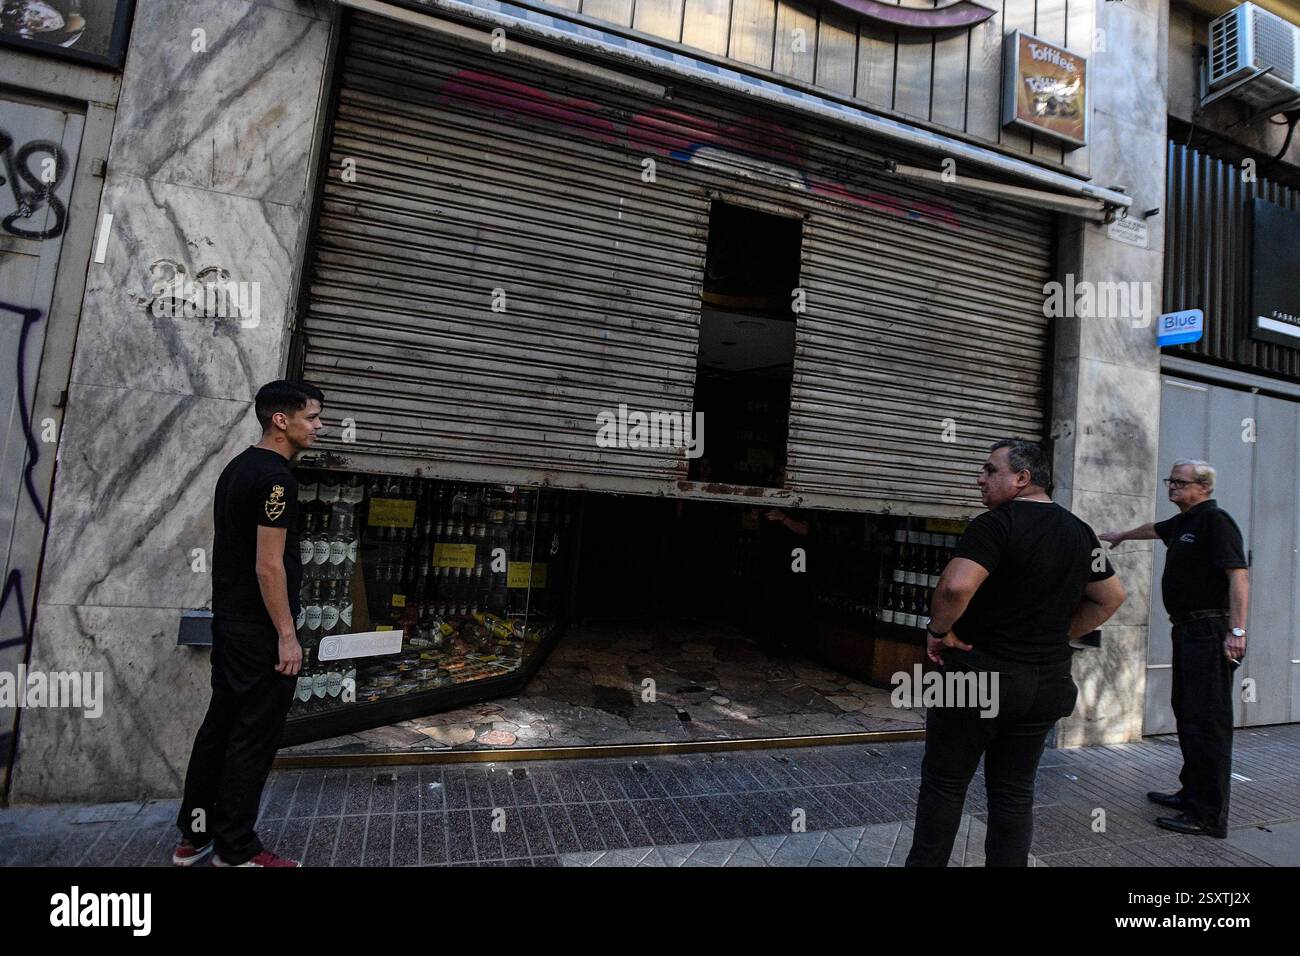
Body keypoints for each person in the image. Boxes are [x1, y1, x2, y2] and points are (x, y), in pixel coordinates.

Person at [906, 439, 1126, 866]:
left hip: (978, 676)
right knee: (1013, 792)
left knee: (945, 786)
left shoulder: (994, 524)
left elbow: (955, 586)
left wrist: (938, 631)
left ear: (1022, 478)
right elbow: (1111, 597)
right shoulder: (1081, 531)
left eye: (990, 470)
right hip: (1045, 682)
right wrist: (1053, 634)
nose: (980, 479)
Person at [173, 380, 324, 867]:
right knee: (252, 735)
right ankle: (236, 849)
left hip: (230, 622)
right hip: (259, 631)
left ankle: (194, 834)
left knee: (219, 726)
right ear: (281, 421)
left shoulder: (237, 468)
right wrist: (286, 635)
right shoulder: (277, 480)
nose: (320, 426)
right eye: (312, 417)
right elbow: (268, 565)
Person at [1100, 458, 1248, 838]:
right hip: (1186, 630)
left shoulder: (1217, 521)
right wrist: (1122, 535)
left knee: (1208, 721)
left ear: (1204, 487)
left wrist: (1237, 630)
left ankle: (1208, 816)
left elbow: (1239, 576)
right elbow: (1154, 528)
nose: (1172, 487)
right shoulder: (1184, 522)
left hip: (1210, 630)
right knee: (1187, 712)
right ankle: (1191, 792)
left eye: (1181, 482)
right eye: (1170, 481)